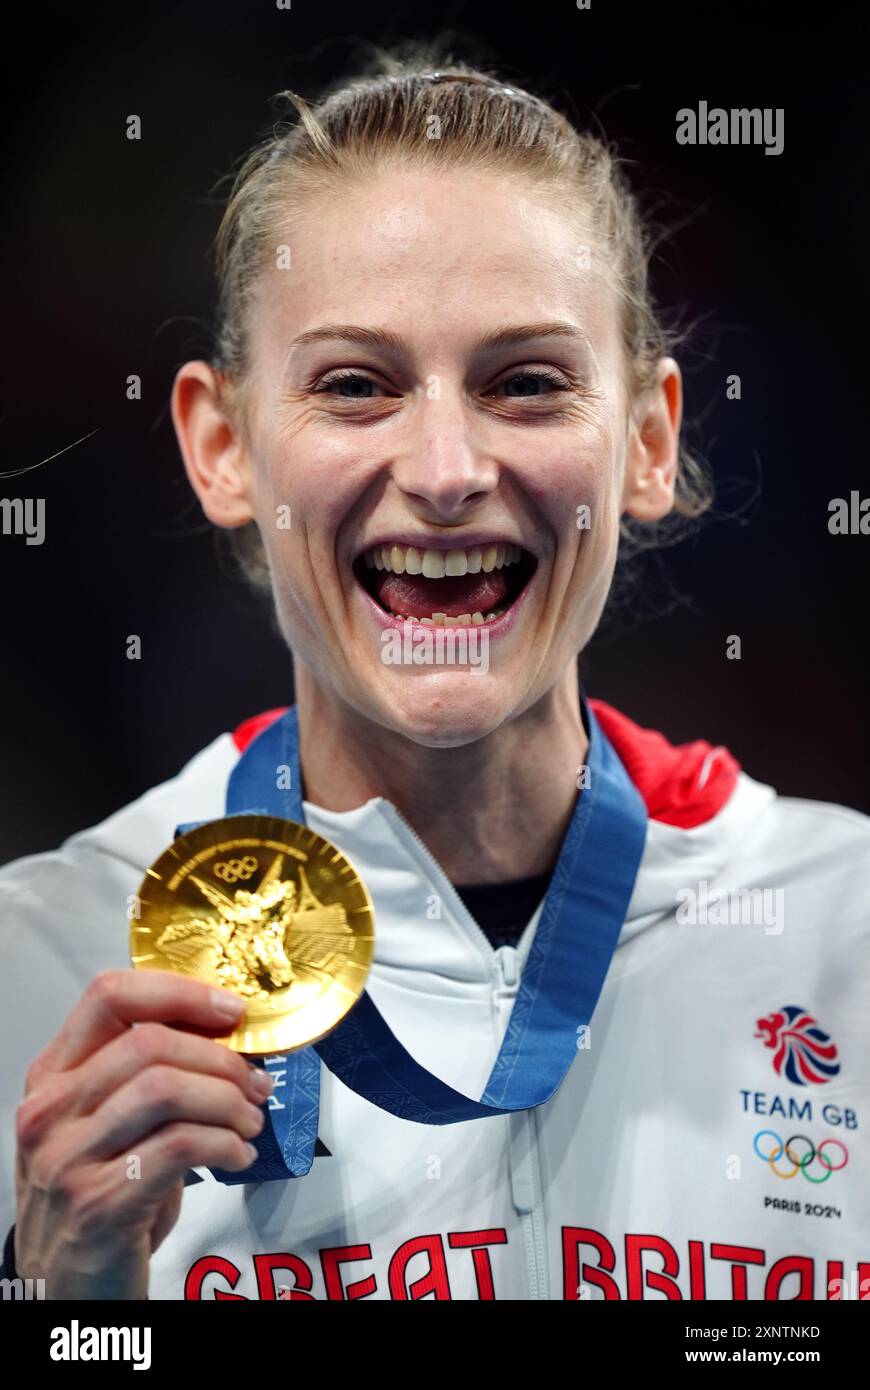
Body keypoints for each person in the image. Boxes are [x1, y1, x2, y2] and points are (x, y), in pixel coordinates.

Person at [2, 53, 868, 1303]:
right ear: (222, 446)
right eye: (356, 384)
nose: (449, 466)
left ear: (649, 440)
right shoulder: (39, 962)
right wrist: (62, 1308)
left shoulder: (843, 928)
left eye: (527, 382)